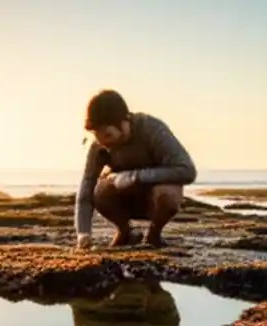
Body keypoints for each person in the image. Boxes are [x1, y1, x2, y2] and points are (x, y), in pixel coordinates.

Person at [75, 89, 197, 250]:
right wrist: (83, 233)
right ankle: (125, 231)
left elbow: (187, 170)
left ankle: (154, 233)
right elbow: (86, 187)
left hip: (156, 197)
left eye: (108, 135)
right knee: (99, 191)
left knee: (167, 194)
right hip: (124, 197)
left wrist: (136, 176)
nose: (104, 143)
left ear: (123, 121)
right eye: (98, 137)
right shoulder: (99, 144)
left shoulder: (152, 130)